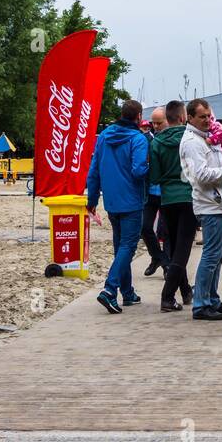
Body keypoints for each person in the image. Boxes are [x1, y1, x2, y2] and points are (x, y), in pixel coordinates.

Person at [86, 99, 150, 312]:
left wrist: (92, 200)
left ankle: (128, 292)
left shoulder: (104, 136)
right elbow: (139, 170)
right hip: (131, 200)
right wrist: (150, 168)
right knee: (128, 246)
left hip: (111, 201)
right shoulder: (138, 139)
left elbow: (93, 171)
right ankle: (109, 289)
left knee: (119, 246)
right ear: (139, 116)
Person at [180, 98, 222, 322]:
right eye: (202, 117)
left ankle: (211, 299)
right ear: (190, 118)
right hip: (209, 203)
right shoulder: (193, 142)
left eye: (208, 116)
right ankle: (202, 303)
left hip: (215, 202)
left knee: (218, 254)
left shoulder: (203, 139)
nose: (207, 120)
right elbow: (200, 176)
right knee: (212, 254)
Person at [151, 100, 196, 311]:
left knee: (177, 245)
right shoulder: (190, 138)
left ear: (167, 118)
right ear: (182, 117)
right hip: (188, 197)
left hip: (167, 199)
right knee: (183, 250)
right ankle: (167, 297)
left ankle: (186, 291)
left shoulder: (157, 142)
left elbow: (155, 176)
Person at [140, 106, 168, 277]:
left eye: (159, 123)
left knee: (166, 232)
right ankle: (158, 257)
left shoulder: (172, 139)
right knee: (144, 227)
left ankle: (167, 266)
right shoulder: (147, 139)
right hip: (150, 191)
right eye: (153, 123)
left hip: (167, 192)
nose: (155, 126)